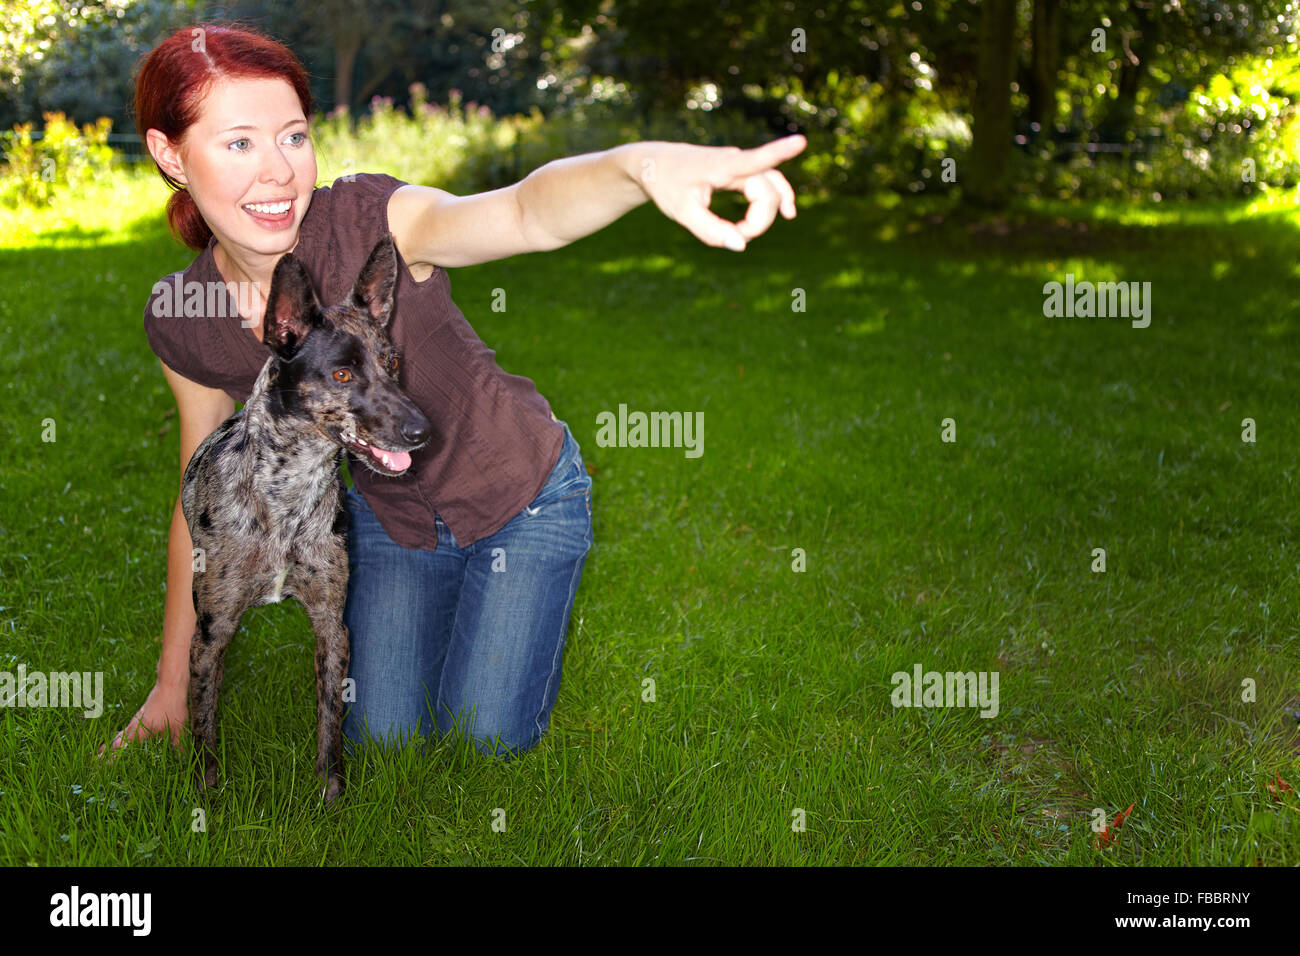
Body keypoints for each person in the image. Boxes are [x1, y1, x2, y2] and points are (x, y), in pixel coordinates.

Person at [103, 22, 803, 760]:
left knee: (486, 740)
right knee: (387, 738)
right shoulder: (186, 322)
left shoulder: (375, 221)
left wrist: (639, 166)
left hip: (524, 497)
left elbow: (526, 210)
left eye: (294, 137)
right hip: (394, 524)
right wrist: (171, 687)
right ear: (170, 154)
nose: (278, 171)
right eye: (239, 143)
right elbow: (200, 502)